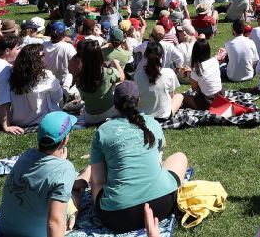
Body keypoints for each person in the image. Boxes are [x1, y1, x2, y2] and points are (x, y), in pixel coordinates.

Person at [81, 81, 189, 233]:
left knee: (98, 174)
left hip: (117, 216)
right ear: (139, 101)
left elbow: (98, 180)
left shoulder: (103, 131)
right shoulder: (152, 122)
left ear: (114, 104)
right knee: (179, 157)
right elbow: (161, 149)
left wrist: (99, 206)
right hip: (163, 205)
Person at [0, 111, 80, 237]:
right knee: (76, 193)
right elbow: (55, 222)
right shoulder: (64, 169)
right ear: (64, 139)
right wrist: (63, 166)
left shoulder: (25, 156)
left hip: (6, 229)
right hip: (37, 233)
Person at [8, 44, 65, 128]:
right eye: (42, 55)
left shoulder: (12, 74)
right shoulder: (46, 75)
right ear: (35, 59)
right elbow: (58, 97)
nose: (44, 58)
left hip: (17, 120)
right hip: (40, 118)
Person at [76, 39, 125, 126]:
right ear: (100, 56)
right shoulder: (109, 72)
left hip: (89, 117)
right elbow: (122, 78)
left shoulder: (79, 77)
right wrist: (116, 63)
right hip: (109, 113)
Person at [136, 40, 182, 120]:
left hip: (144, 116)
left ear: (145, 55)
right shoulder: (169, 72)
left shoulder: (138, 75)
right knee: (179, 96)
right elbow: (171, 95)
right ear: (161, 56)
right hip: (164, 116)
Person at [184, 38, 223, 110]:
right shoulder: (214, 61)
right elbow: (206, 73)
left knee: (181, 96)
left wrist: (191, 74)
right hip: (221, 96)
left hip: (207, 102)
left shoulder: (196, 69)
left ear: (195, 52)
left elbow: (194, 88)